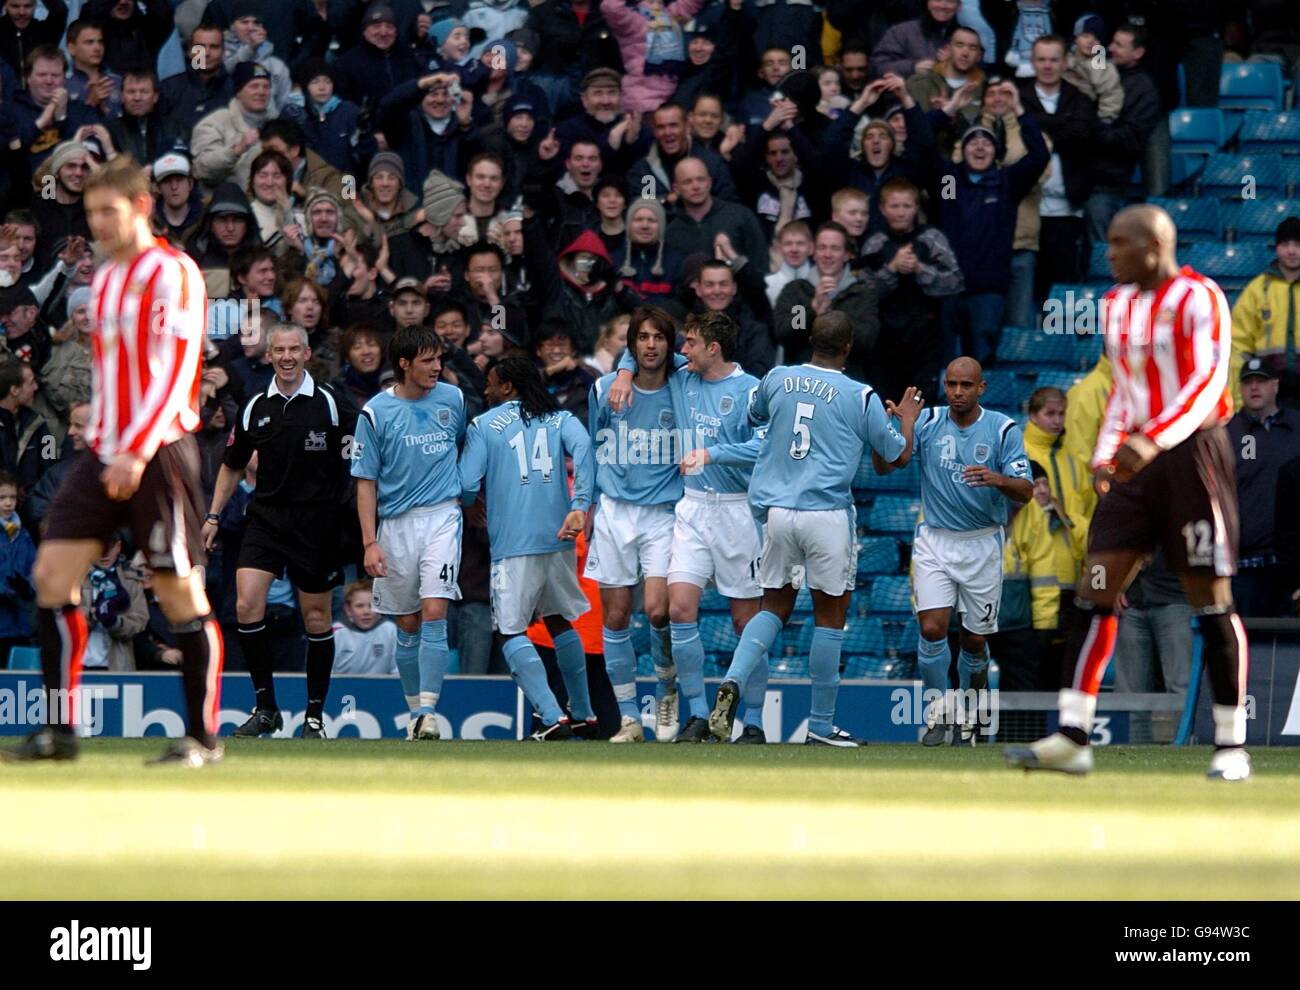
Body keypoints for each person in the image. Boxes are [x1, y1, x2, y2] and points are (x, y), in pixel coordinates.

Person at [1005, 205, 1252, 781]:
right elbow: (1123, 389)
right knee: (1096, 591)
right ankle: (1073, 736)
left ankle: (1230, 746)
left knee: (1211, 601)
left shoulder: (1200, 297)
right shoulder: (1117, 306)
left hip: (1194, 456)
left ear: (1154, 245)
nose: (1108, 253)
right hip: (1136, 463)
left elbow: (1210, 381)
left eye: (1120, 243)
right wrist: (1105, 451)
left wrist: (1157, 438)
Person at [2, 156, 223, 766]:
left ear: (141, 208)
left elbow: (174, 368)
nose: (98, 222)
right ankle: (59, 731)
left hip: (159, 449)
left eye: (109, 211)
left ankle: (203, 740)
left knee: (178, 593)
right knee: (52, 575)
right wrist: (103, 438)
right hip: (107, 447)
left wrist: (137, 446)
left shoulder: (172, 271)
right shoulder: (103, 277)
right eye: (91, 212)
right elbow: (110, 371)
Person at [708, 312, 923, 747]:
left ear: (809, 340)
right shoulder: (859, 394)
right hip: (826, 515)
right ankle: (821, 726)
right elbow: (897, 458)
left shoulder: (776, 377)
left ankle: (732, 679)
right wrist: (907, 418)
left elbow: (754, 417)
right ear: (848, 348)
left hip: (778, 514)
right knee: (831, 619)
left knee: (773, 608)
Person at [608, 311, 769, 742]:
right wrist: (623, 372)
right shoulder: (683, 378)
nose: (681, 350)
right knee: (679, 610)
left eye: (691, 343)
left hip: (739, 513)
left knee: (744, 622)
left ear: (712, 348)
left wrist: (712, 454)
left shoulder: (752, 390)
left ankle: (753, 721)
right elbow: (643, 348)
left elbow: (764, 445)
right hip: (693, 509)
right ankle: (698, 713)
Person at [204, 324, 357, 740]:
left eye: (294, 349)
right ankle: (266, 707)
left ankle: (313, 717)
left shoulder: (331, 404)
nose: (287, 357)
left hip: (317, 524)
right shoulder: (255, 406)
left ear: (307, 353)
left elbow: (360, 462)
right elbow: (233, 463)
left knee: (315, 617)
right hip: (267, 519)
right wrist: (214, 515)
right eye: (279, 350)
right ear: (269, 355)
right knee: (246, 606)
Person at [460, 353, 597, 739]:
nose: (486, 389)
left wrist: (473, 504)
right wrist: (580, 505)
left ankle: (552, 715)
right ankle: (584, 711)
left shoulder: (484, 425)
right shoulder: (561, 419)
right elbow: (586, 449)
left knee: (509, 630)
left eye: (490, 381)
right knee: (558, 619)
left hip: (514, 544)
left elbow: (467, 483)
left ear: (507, 385)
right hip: (558, 538)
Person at [351, 326, 466, 742]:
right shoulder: (375, 413)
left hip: (442, 517)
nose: (437, 367)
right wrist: (369, 541)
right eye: (428, 360)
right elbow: (365, 480)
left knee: (435, 611)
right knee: (408, 623)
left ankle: (429, 712)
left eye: (439, 359)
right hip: (395, 525)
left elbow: (463, 447)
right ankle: (415, 711)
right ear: (404, 363)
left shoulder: (453, 399)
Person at [910, 357, 1033, 745]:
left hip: (982, 543)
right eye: (951, 385)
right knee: (931, 629)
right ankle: (938, 712)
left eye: (965, 385)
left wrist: (997, 479)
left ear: (981, 388)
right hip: (935, 539)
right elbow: (889, 461)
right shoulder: (928, 422)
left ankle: (970, 708)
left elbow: (1026, 490)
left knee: (974, 639)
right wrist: (901, 423)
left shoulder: (1002, 429)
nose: (957, 392)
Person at [585, 306, 683, 742]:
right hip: (614, 512)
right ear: (631, 344)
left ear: (669, 343)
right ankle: (628, 717)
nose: (650, 345)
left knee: (660, 611)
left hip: (663, 514)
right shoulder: (605, 389)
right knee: (617, 616)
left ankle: (666, 693)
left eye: (658, 337)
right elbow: (589, 448)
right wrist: (582, 505)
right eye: (642, 337)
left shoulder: (685, 386)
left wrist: (626, 372)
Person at [1227, 358, 1300, 617]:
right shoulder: (1228, 434)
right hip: (1245, 568)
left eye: (1261, 381)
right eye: (1248, 382)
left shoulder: (1297, 427)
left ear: (1276, 385)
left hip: (1291, 569)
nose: (1254, 388)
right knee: (1244, 649)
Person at [1229, 216, 1300, 410]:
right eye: (1285, 244)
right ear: (1276, 248)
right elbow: (1238, 347)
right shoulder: (1257, 289)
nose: (1292, 251)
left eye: (1297, 244)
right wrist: (1237, 402)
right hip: (1269, 388)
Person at [332, 579, 398, 676]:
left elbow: (397, 672)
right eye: (359, 606)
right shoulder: (336, 633)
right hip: (344, 689)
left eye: (371, 605)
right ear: (348, 609)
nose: (366, 612)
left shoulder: (390, 630)